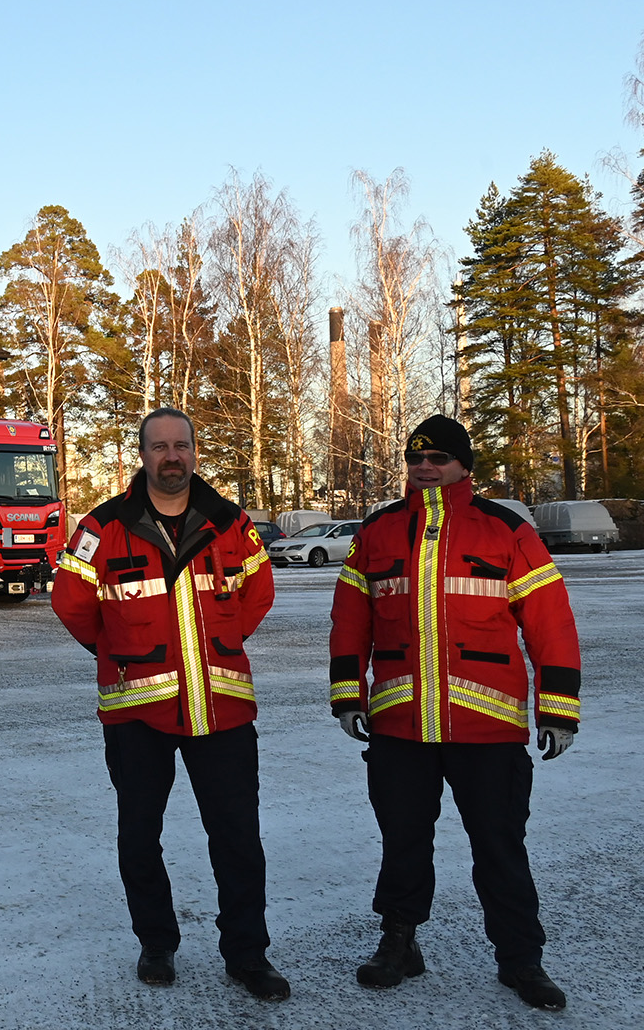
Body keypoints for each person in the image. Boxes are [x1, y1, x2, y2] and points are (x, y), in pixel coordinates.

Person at [329, 414, 581, 1011]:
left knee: (499, 846)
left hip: (486, 728)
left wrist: (559, 710)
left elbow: (551, 623)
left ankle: (521, 959)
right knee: (403, 841)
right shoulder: (378, 532)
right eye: (416, 460)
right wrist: (347, 694)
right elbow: (349, 621)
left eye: (438, 458)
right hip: (400, 725)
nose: (425, 468)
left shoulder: (507, 530)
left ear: (465, 466)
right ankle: (400, 942)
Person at [52, 408, 286, 1000]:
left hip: (223, 710)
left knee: (236, 837)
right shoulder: (102, 527)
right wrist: (118, 652)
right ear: (143, 454)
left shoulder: (232, 523)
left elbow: (257, 593)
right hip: (137, 714)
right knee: (139, 835)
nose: (172, 456)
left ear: (195, 452)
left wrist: (222, 643)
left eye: (181, 445)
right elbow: (72, 603)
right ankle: (156, 943)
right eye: (160, 447)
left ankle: (247, 954)